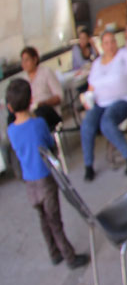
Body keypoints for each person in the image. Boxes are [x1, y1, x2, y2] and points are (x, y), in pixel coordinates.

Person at [6, 79, 89, 269]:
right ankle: (70, 257)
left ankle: (54, 253)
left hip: (29, 183)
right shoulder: (38, 124)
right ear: (31, 100)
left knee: (43, 219)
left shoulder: (11, 130)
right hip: (45, 180)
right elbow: (50, 146)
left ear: (9, 107)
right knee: (55, 221)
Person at [80, 31, 127, 181]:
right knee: (87, 125)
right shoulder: (97, 64)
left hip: (121, 101)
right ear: (102, 45)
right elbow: (91, 89)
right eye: (106, 43)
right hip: (99, 103)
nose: (110, 46)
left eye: (112, 42)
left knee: (106, 122)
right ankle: (88, 166)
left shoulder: (124, 55)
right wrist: (86, 100)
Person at [11, 47, 63, 131]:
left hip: (49, 112)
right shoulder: (24, 81)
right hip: (30, 115)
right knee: (13, 117)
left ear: (35, 59)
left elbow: (59, 97)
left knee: (40, 112)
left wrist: (43, 103)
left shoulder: (46, 72)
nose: (24, 63)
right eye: (22, 61)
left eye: (27, 60)